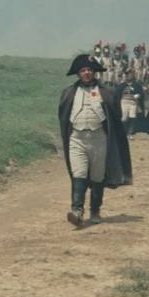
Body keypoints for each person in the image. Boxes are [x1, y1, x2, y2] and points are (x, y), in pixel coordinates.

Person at [58, 54, 133, 226]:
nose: (86, 73)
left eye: (89, 70)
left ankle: (95, 209)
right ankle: (77, 210)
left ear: (94, 72)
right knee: (79, 174)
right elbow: (63, 116)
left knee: (97, 176)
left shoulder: (106, 93)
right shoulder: (69, 93)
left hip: (99, 139)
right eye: (83, 70)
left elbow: (115, 116)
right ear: (78, 73)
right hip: (77, 139)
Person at [116, 70, 145, 139]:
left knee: (133, 117)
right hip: (124, 102)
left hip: (133, 102)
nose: (129, 76)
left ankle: (130, 133)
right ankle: (123, 132)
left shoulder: (137, 85)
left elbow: (141, 94)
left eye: (131, 74)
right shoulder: (122, 85)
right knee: (124, 118)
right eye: (128, 74)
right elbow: (117, 94)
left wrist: (138, 95)